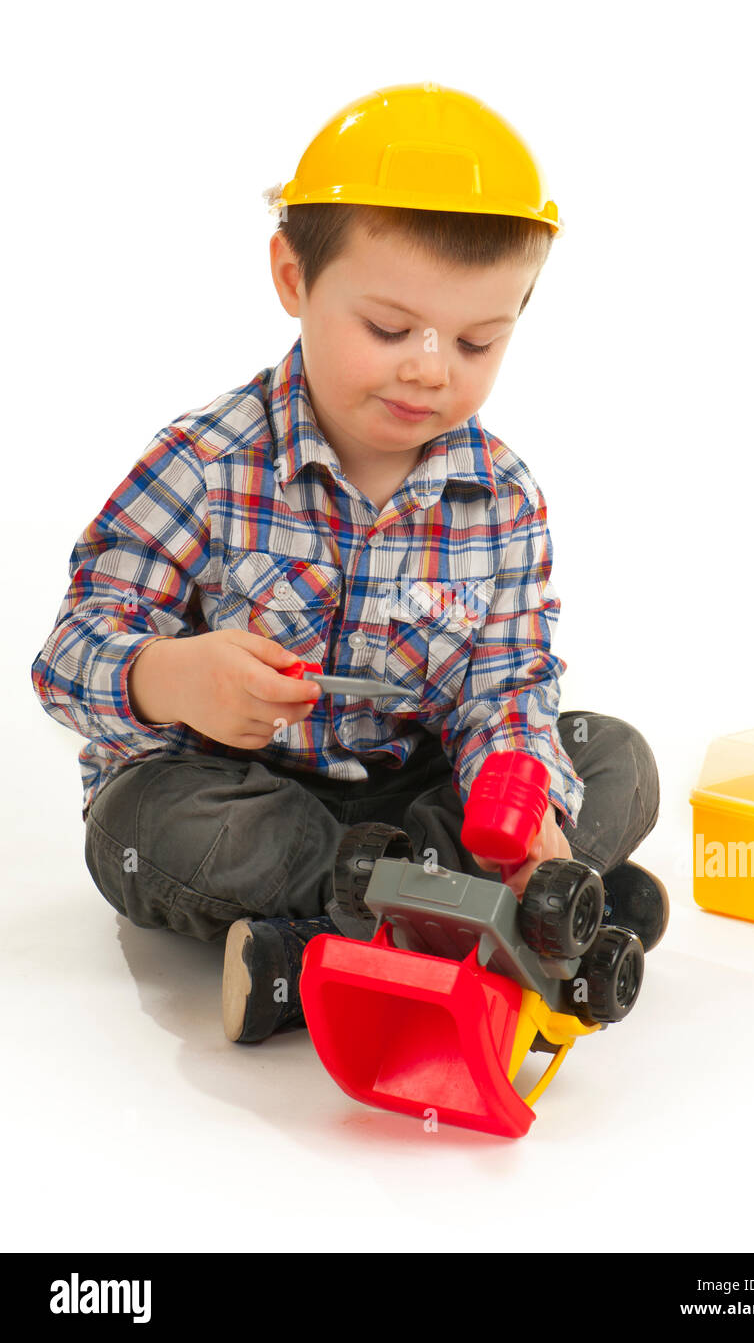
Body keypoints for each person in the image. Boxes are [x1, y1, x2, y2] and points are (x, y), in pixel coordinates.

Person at [31, 82, 667, 1046]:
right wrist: (170, 677)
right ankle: (515, 917)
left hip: (412, 790)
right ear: (292, 277)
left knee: (613, 758)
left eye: (476, 341)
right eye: (387, 329)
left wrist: (517, 795)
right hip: (243, 796)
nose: (429, 368)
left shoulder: (500, 496)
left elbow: (507, 684)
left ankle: (358, 937)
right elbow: (68, 655)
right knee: (149, 830)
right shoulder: (206, 462)